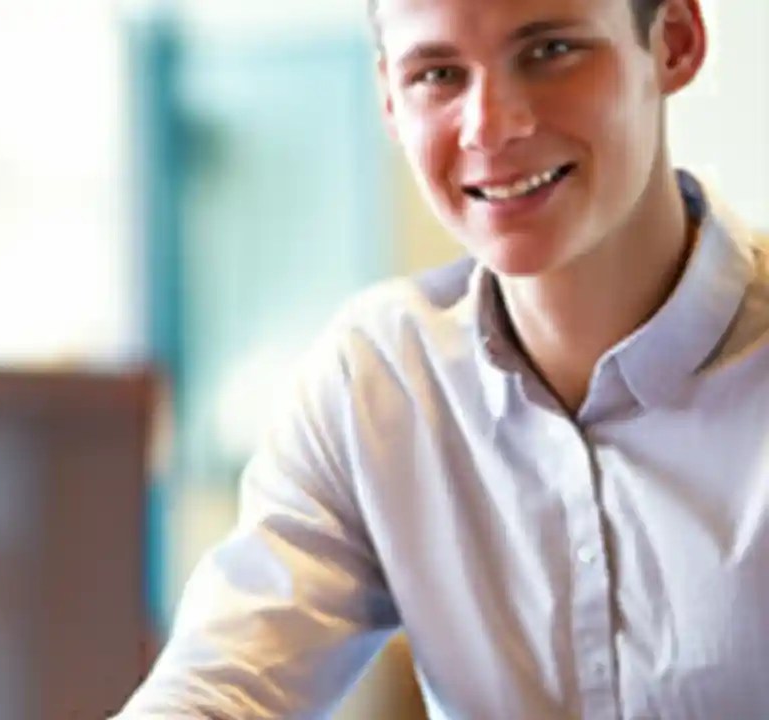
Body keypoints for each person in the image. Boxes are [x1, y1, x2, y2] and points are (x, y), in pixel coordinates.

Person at [115, 0, 769, 717]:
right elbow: (220, 686)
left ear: (673, 42)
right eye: (438, 74)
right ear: (390, 100)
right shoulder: (377, 379)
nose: (491, 125)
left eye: (550, 50)